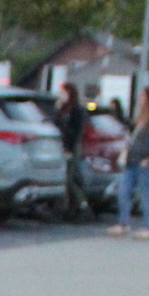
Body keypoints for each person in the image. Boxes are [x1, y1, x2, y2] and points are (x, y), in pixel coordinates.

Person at [112, 85, 149, 240]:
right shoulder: (140, 117)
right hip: (132, 160)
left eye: (143, 96)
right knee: (123, 191)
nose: (140, 99)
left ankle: (148, 227)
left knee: (146, 194)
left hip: (147, 163)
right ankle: (123, 223)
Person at [53, 80, 91, 221]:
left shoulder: (76, 110)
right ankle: (68, 207)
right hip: (61, 146)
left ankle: (82, 205)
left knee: (68, 178)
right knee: (65, 178)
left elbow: (75, 131)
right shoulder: (61, 108)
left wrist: (69, 148)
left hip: (71, 148)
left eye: (63, 92)